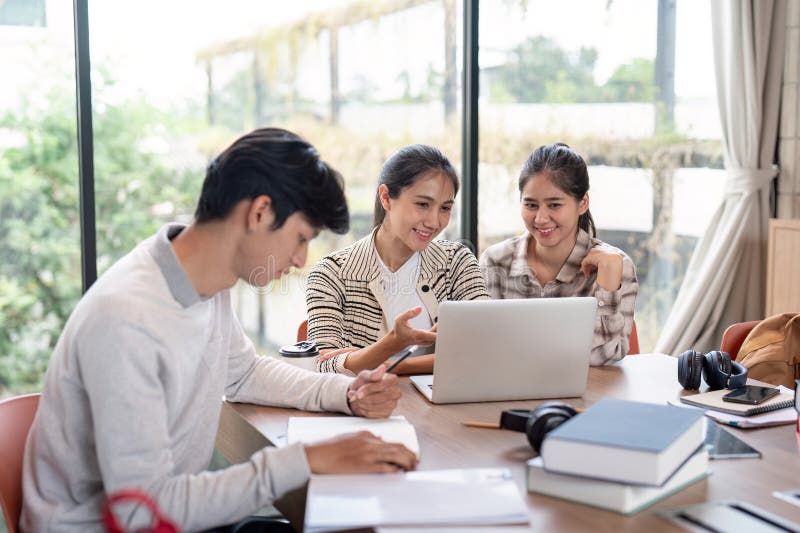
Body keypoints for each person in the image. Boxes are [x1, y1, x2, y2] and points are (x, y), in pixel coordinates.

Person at [21, 128, 417, 532]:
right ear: (259, 212)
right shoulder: (127, 318)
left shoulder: (205, 279)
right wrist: (306, 459)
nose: (300, 260)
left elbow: (244, 373)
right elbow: (139, 513)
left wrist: (346, 392)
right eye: (300, 238)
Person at [306, 144, 488, 376]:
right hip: (365, 407)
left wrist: (379, 362)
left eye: (445, 208)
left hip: (440, 408)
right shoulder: (332, 274)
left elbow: (483, 349)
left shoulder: (457, 262)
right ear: (386, 198)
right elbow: (322, 364)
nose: (434, 222)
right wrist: (392, 344)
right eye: (422, 204)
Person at [480, 142, 638, 365]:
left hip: (588, 394)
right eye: (531, 205)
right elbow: (485, 349)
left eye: (554, 205)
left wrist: (608, 285)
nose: (541, 218)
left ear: (582, 203)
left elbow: (607, 355)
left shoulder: (615, 265)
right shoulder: (496, 261)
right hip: (509, 392)